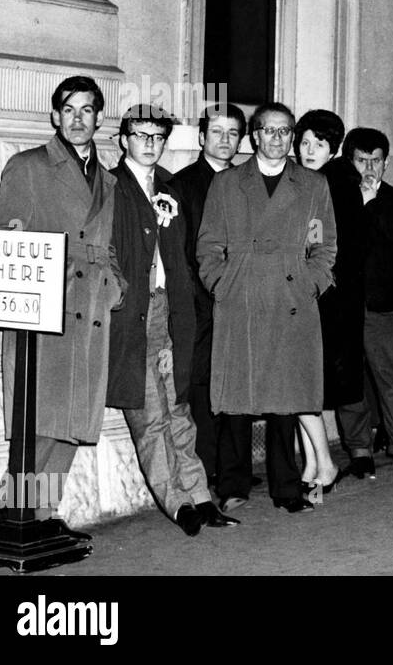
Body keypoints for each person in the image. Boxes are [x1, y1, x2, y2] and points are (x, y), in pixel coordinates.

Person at [0, 76, 127, 538]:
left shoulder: (109, 178)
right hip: (44, 310)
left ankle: (41, 513)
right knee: (40, 417)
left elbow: (111, 243)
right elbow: (5, 238)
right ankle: (11, 510)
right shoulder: (29, 166)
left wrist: (116, 285)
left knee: (73, 420)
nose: (78, 119)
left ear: (99, 117)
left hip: (92, 309)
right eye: (69, 109)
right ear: (55, 116)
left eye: (87, 110)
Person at [197, 102, 337, 513]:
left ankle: (286, 487)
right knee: (238, 397)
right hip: (240, 295)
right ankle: (234, 484)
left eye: (284, 131)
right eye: (268, 130)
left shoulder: (312, 185)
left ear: (291, 137)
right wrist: (221, 283)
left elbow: (324, 246)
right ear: (254, 136)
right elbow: (208, 245)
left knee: (285, 398)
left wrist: (311, 284)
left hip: (290, 297)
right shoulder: (227, 184)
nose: (276, 139)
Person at [105, 105, 238, 534]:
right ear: (124, 138)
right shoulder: (108, 187)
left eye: (158, 138)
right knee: (149, 414)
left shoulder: (170, 186)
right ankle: (176, 502)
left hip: (168, 311)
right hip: (131, 316)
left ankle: (200, 496)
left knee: (179, 409)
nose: (150, 144)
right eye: (141, 135)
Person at [329, 128, 393, 484]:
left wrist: (371, 203)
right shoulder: (338, 197)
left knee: (390, 380)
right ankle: (360, 451)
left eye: (377, 160)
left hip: (381, 304)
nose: (370, 167)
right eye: (362, 160)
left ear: (385, 163)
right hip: (345, 306)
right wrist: (358, 201)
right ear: (350, 161)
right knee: (349, 383)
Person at [173, 103, 246, 497]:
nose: (224, 140)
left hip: (242, 304)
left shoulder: (249, 183)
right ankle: (205, 478)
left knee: (237, 389)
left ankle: (234, 479)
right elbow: (181, 251)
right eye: (216, 132)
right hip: (200, 304)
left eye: (232, 133)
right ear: (202, 137)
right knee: (200, 390)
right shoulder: (181, 185)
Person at [292, 109, 358, 495]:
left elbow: (319, 244)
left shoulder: (332, 183)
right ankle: (313, 463)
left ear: (333, 148)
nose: (309, 149)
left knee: (302, 385)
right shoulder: (319, 180)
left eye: (319, 143)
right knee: (301, 385)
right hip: (319, 296)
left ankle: (324, 463)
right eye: (304, 142)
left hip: (322, 299)